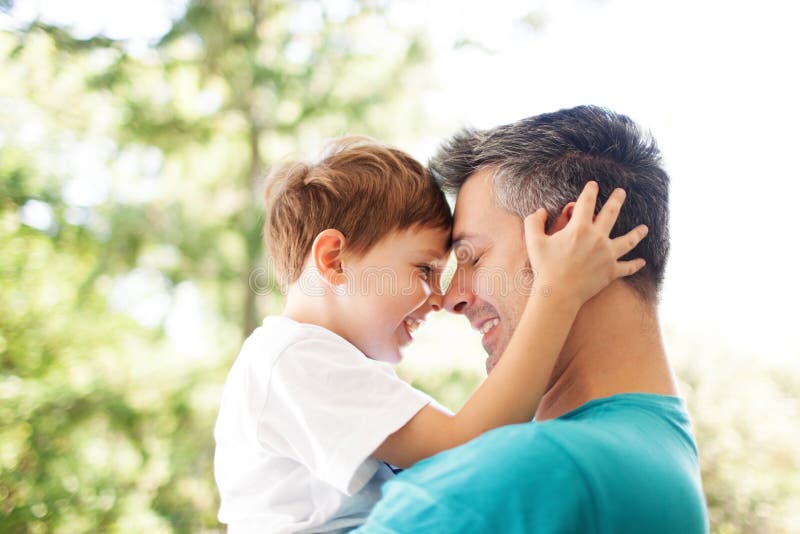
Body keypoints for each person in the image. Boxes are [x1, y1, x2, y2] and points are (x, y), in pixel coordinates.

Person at [213, 136, 647, 533]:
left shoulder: (326, 365)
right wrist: (558, 294)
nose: (439, 300)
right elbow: (466, 448)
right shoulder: (294, 359)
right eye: (424, 270)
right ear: (334, 260)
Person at [356, 106, 710, 533]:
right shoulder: (660, 451)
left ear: (571, 237)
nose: (450, 298)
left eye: (471, 256)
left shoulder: (540, 470)